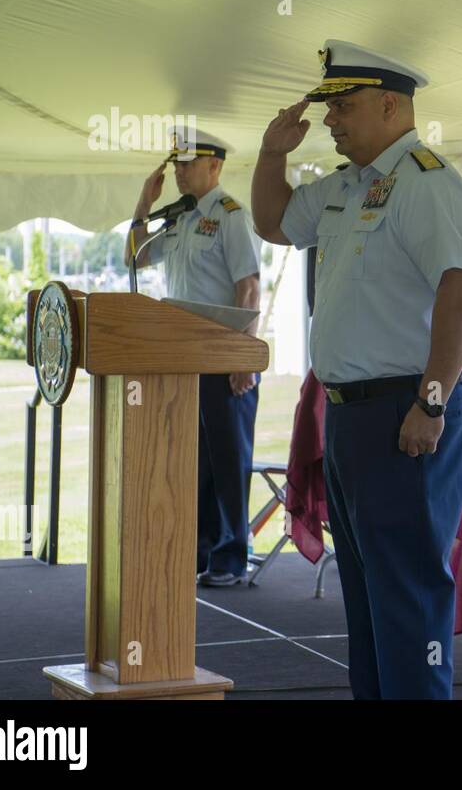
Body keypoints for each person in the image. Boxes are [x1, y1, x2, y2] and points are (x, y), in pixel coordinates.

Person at [250, 39, 462, 699]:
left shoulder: (428, 183)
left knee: (408, 595)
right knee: (367, 596)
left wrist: (433, 402)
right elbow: (271, 220)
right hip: (353, 417)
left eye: (344, 105)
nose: (330, 120)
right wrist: (273, 153)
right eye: (330, 107)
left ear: (390, 103)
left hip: (408, 412)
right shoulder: (345, 185)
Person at [128, 126, 262, 587]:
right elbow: (136, 259)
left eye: (188, 164)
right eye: (177, 165)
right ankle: (199, 550)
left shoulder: (230, 215)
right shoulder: (180, 218)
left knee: (228, 458)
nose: (180, 173)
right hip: (183, 358)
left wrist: (243, 356)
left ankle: (231, 556)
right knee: (191, 459)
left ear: (215, 166)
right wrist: (145, 202)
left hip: (223, 357)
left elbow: (248, 287)